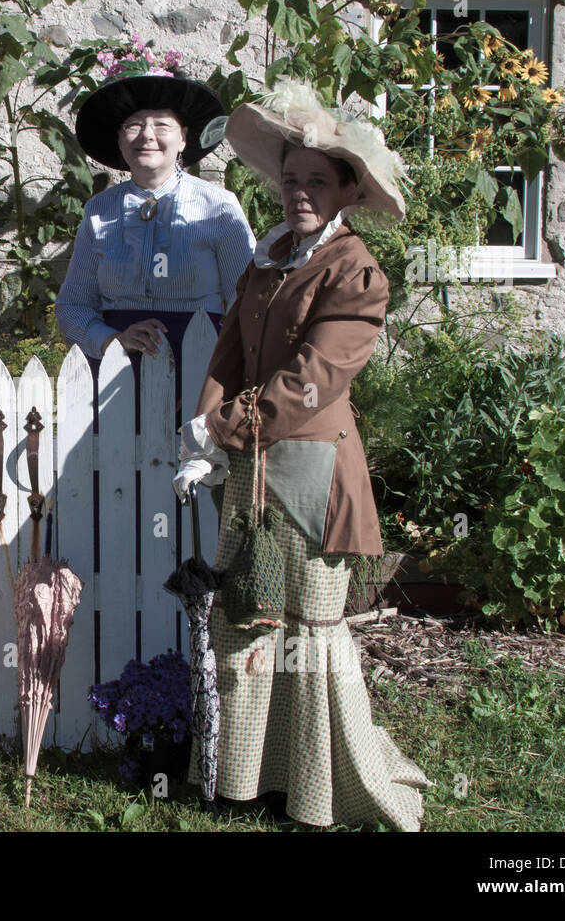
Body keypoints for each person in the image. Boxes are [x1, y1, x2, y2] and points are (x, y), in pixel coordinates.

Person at [175, 79, 432, 830]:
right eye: (290, 179)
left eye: (316, 180)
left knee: (309, 631)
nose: (299, 193)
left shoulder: (355, 272)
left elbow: (315, 377)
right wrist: (207, 433)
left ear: (346, 190)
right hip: (249, 463)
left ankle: (318, 789)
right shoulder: (268, 259)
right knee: (248, 617)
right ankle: (247, 776)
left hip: (309, 470)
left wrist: (221, 430)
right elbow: (229, 353)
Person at [55, 42, 255, 374]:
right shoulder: (99, 210)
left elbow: (247, 301)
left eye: (162, 125)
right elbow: (72, 306)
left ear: (184, 138)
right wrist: (112, 340)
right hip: (115, 370)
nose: (147, 136)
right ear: (119, 139)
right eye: (134, 125)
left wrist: (219, 368)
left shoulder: (218, 206)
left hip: (201, 363)